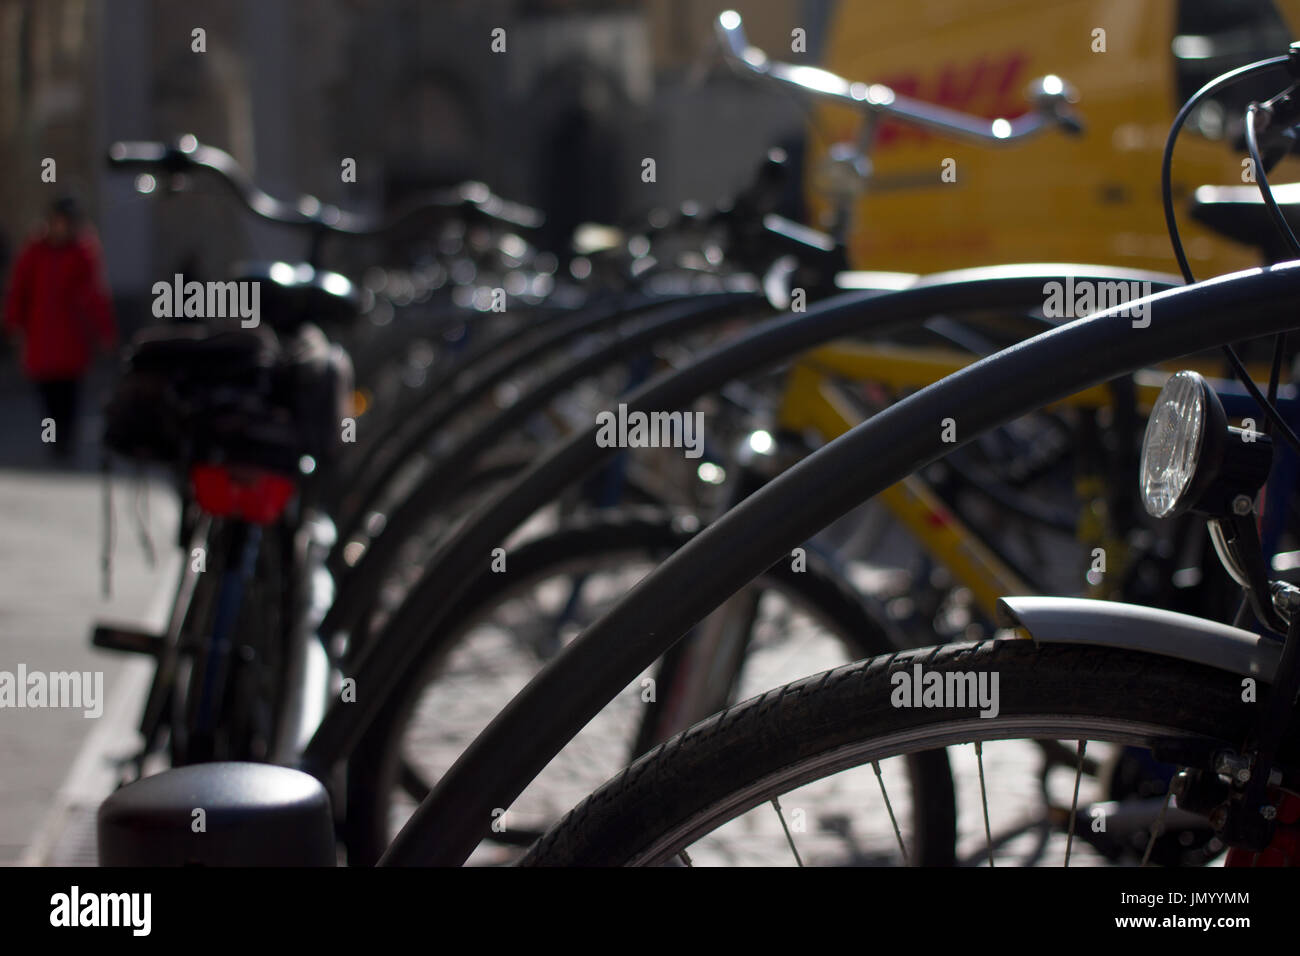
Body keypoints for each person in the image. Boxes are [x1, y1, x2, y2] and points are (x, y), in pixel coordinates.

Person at [3, 196, 117, 461]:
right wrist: (12, 322)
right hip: (41, 337)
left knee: (68, 395)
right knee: (47, 393)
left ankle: (65, 439)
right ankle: (54, 438)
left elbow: (94, 296)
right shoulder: (34, 251)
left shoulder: (82, 254)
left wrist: (104, 332)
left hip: (70, 340)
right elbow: (20, 290)